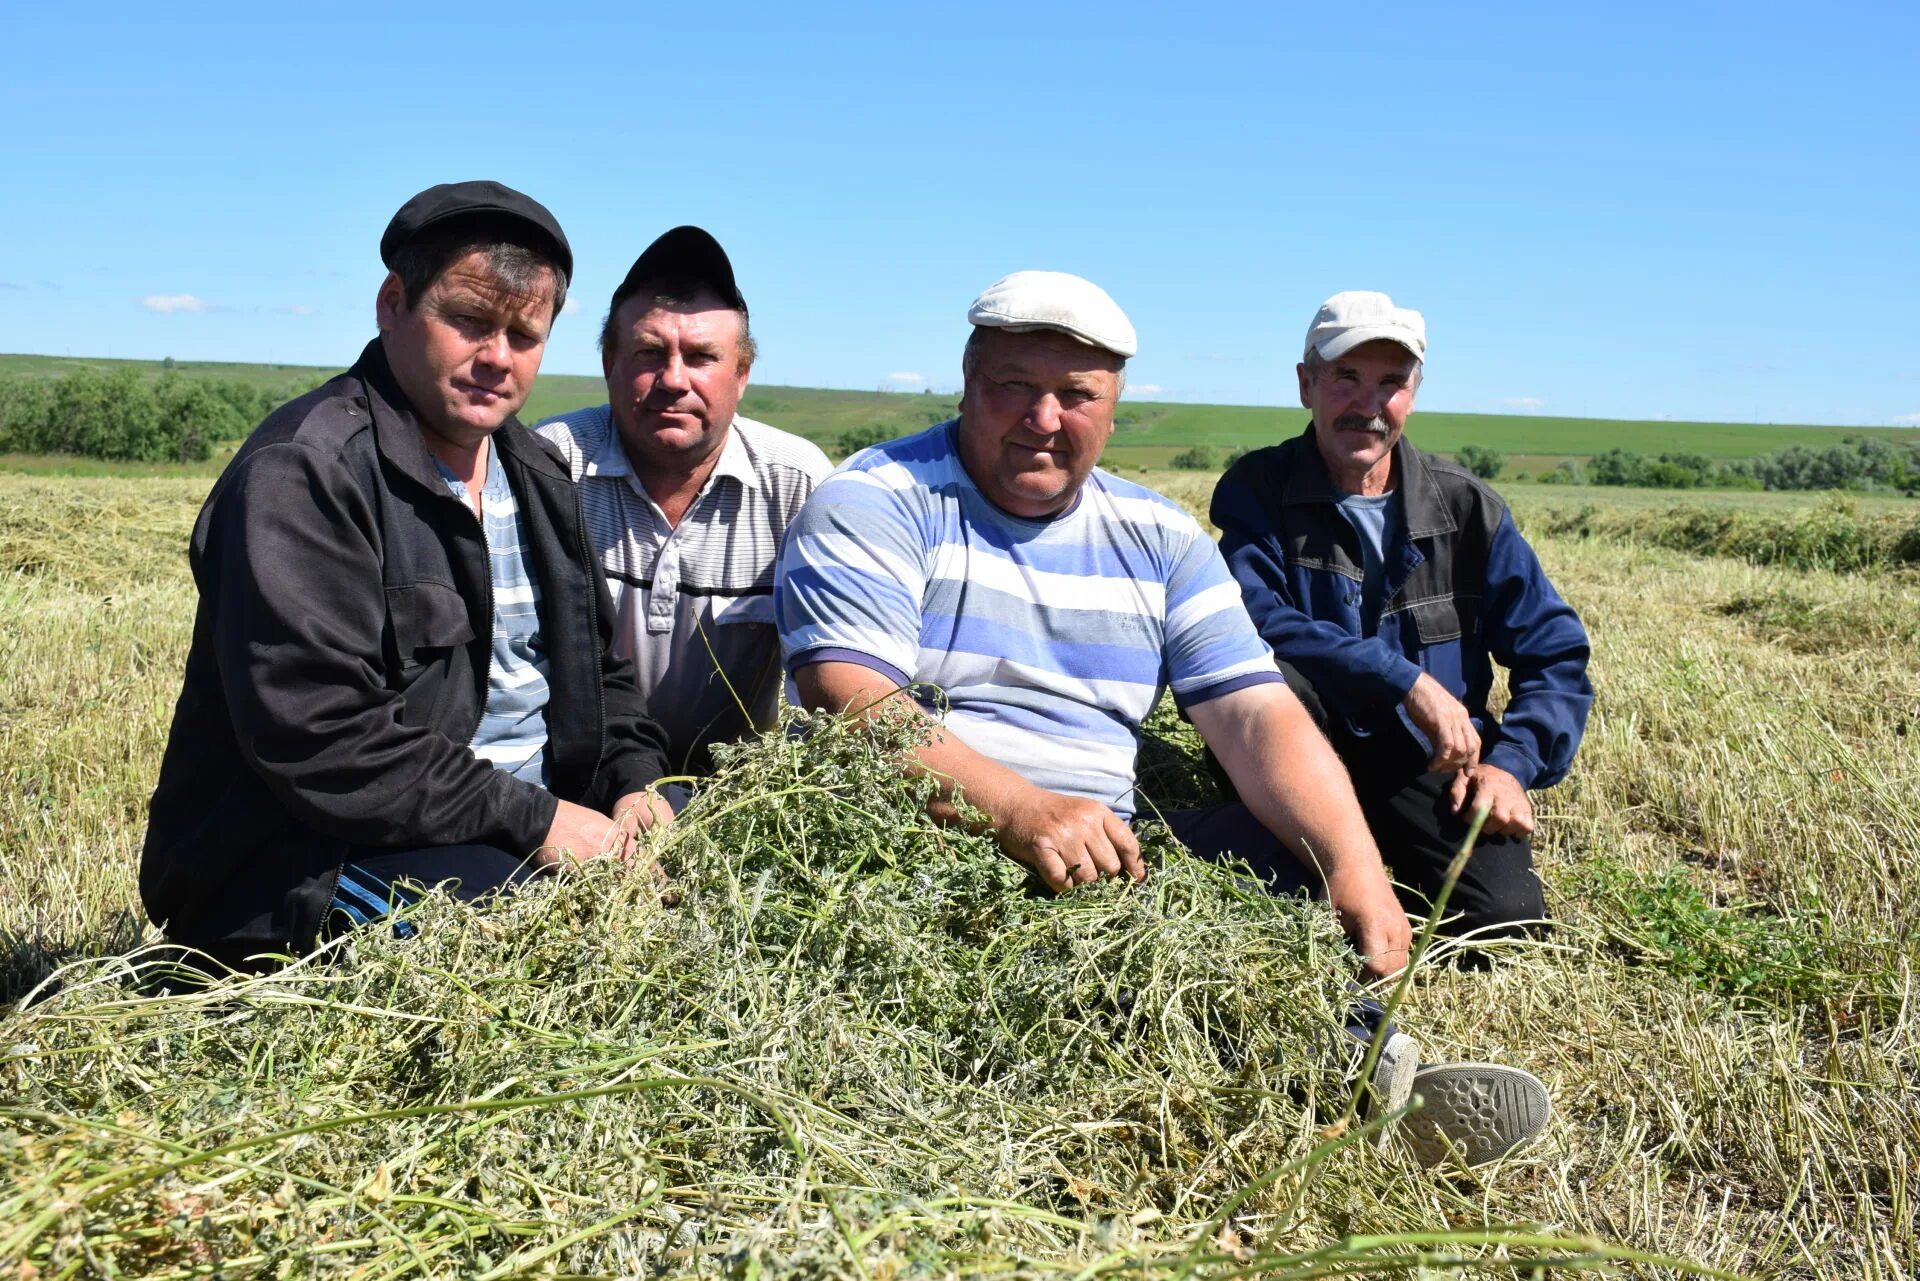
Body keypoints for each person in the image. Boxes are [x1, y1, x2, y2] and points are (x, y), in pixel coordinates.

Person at [775, 270, 1550, 1165]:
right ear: (967, 380)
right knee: (1021, 960)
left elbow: (1256, 714)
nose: (1043, 418)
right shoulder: (877, 497)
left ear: (1113, 407)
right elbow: (853, 693)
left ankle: (1346, 1058)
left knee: (1272, 860)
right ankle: (1331, 1071)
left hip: (1106, 847)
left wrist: (1354, 866)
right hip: (907, 838)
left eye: (1076, 395)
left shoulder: (1159, 534)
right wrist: (1021, 810)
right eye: (1015, 388)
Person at [141, 181, 675, 973]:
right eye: (468, 320)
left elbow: (603, 674)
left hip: (512, 826)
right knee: (532, 942)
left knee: (719, 853)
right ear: (394, 303)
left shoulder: (537, 473)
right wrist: (541, 824)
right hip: (310, 861)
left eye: (524, 334)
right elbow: (321, 739)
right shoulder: (305, 472)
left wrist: (635, 788)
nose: (496, 356)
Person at [1211, 291, 1593, 944]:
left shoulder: (1468, 509)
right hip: (1296, 753)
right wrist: (1403, 679)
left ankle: (1370, 853)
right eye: (1346, 378)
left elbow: (1555, 653)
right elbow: (1252, 618)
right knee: (1282, 915)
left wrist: (1511, 765)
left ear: (1413, 394)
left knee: (1505, 923)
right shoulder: (1259, 490)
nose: (1368, 405)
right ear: (1307, 384)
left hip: (1424, 763)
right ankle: (1297, 850)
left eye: (1390, 382)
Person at [537, 226, 830, 778]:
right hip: (574, 782)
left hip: (737, 797)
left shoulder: (797, 483)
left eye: (700, 357)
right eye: (649, 353)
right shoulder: (552, 464)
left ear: (741, 375)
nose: (673, 380)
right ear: (609, 364)